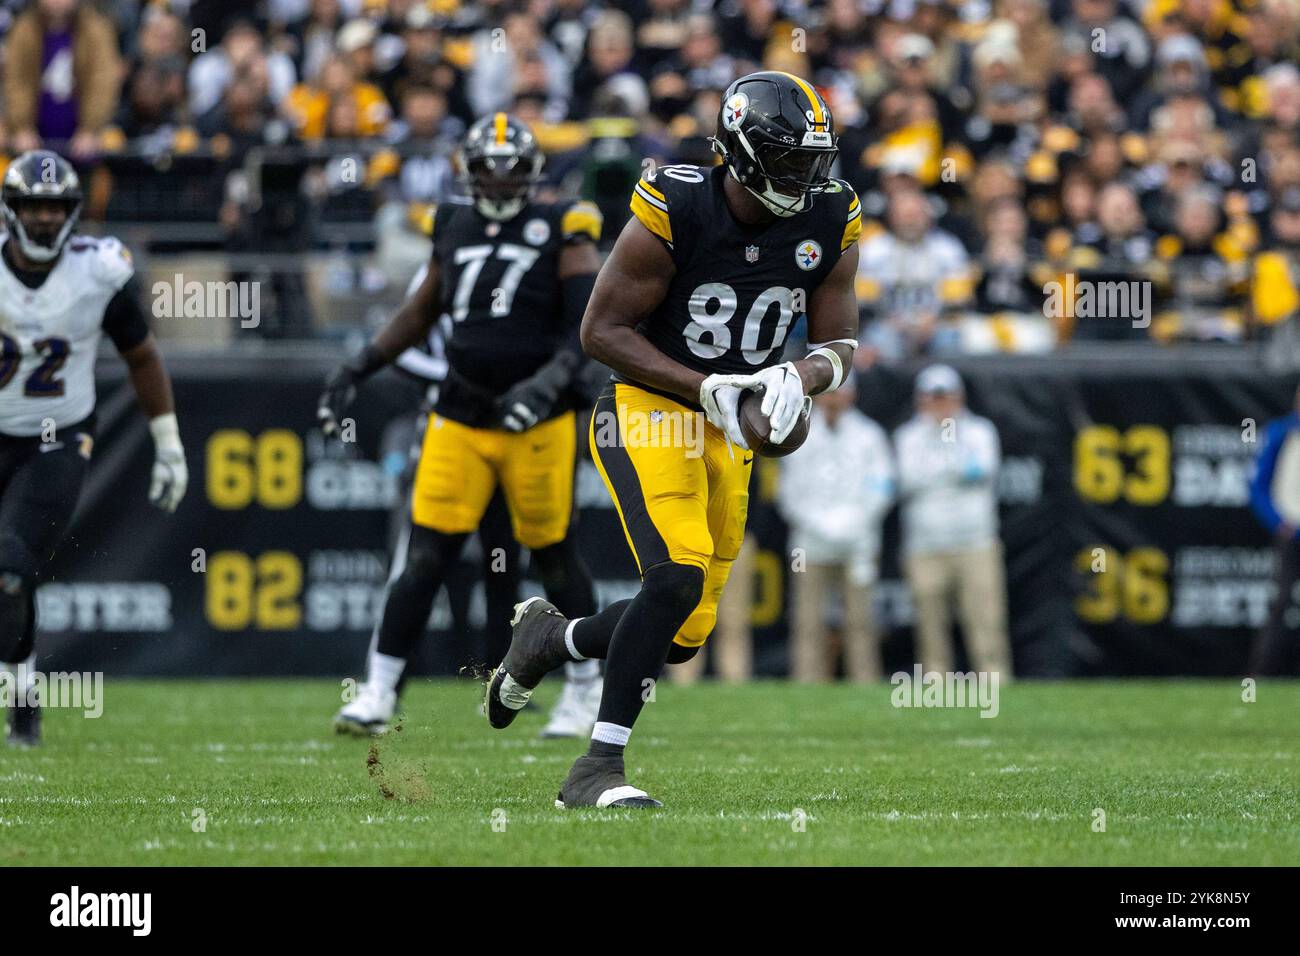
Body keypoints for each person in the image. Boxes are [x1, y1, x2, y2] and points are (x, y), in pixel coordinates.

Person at [485, 71, 863, 808]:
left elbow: (841, 336)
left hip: (731, 427)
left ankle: (549, 642)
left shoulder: (831, 212)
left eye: (815, 158)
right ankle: (596, 769)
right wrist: (704, 386)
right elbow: (600, 331)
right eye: (791, 160)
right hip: (648, 409)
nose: (809, 175)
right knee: (675, 578)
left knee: (683, 633)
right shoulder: (678, 204)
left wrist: (804, 374)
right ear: (744, 155)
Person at [318, 114, 605, 737]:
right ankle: (377, 691)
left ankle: (585, 692)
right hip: (461, 412)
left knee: (554, 555)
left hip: (539, 419)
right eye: (487, 170)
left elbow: (587, 327)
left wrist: (546, 384)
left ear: (532, 175)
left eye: (512, 171)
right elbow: (420, 312)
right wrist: (360, 364)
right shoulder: (451, 224)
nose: (500, 183)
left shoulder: (566, 227)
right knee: (423, 556)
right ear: (468, 174)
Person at [0, 150, 188, 745]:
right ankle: (23, 687)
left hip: (56, 441)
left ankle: (21, 697)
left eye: (57, 207)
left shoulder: (97, 269)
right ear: (12, 210)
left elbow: (141, 353)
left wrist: (168, 442)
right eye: (35, 206)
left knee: (9, 570)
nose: (47, 219)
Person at [894, 364, 1011, 678]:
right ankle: (936, 683)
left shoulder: (980, 431)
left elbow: (983, 469)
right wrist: (953, 470)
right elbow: (907, 480)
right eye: (933, 397)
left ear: (959, 398)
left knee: (986, 620)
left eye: (945, 397)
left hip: (975, 542)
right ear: (921, 400)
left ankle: (994, 681)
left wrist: (939, 470)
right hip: (925, 544)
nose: (940, 404)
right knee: (930, 626)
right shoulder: (908, 436)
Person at [777, 377, 894, 682]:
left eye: (839, 394)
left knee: (860, 621)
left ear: (851, 396)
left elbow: (881, 487)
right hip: (810, 543)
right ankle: (806, 685)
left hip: (858, 542)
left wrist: (852, 524)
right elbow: (789, 493)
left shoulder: (869, 435)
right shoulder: (799, 433)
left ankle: (865, 683)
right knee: (807, 620)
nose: (833, 400)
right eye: (828, 394)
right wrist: (822, 525)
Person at [1247, 384, 1300, 675]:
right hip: (1290, 534)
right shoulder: (1281, 433)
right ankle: (1261, 675)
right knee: (1280, 604)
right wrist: (1278, 522)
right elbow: (1258, 485)